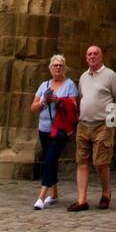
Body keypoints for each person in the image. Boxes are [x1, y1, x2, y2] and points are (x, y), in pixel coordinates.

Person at [68, 44, 116, 212]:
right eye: (89, 54)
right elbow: (81, 97)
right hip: (84, 124)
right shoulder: (84, 77)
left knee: (100, 162)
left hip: (102, 125)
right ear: (86, 58)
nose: (92, 56)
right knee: (81, 162)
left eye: (95, 54)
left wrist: (111, 122)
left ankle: (106, 193)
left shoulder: (110, 76)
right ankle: (81, 200)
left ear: (101, 57)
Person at [31, 55, 79, 210]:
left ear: (64, 68)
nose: (58, 68)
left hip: (60, 129)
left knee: (50, 160)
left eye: (61, 65)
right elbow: (33, 107)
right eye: (55, 65)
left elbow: (73, 107)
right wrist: (43, 101)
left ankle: (41, 196)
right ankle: (55, 194)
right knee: (49, 159)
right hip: (44, 128)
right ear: (50, 68)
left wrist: (59, 101)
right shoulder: (44, 85)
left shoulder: (69, 85)